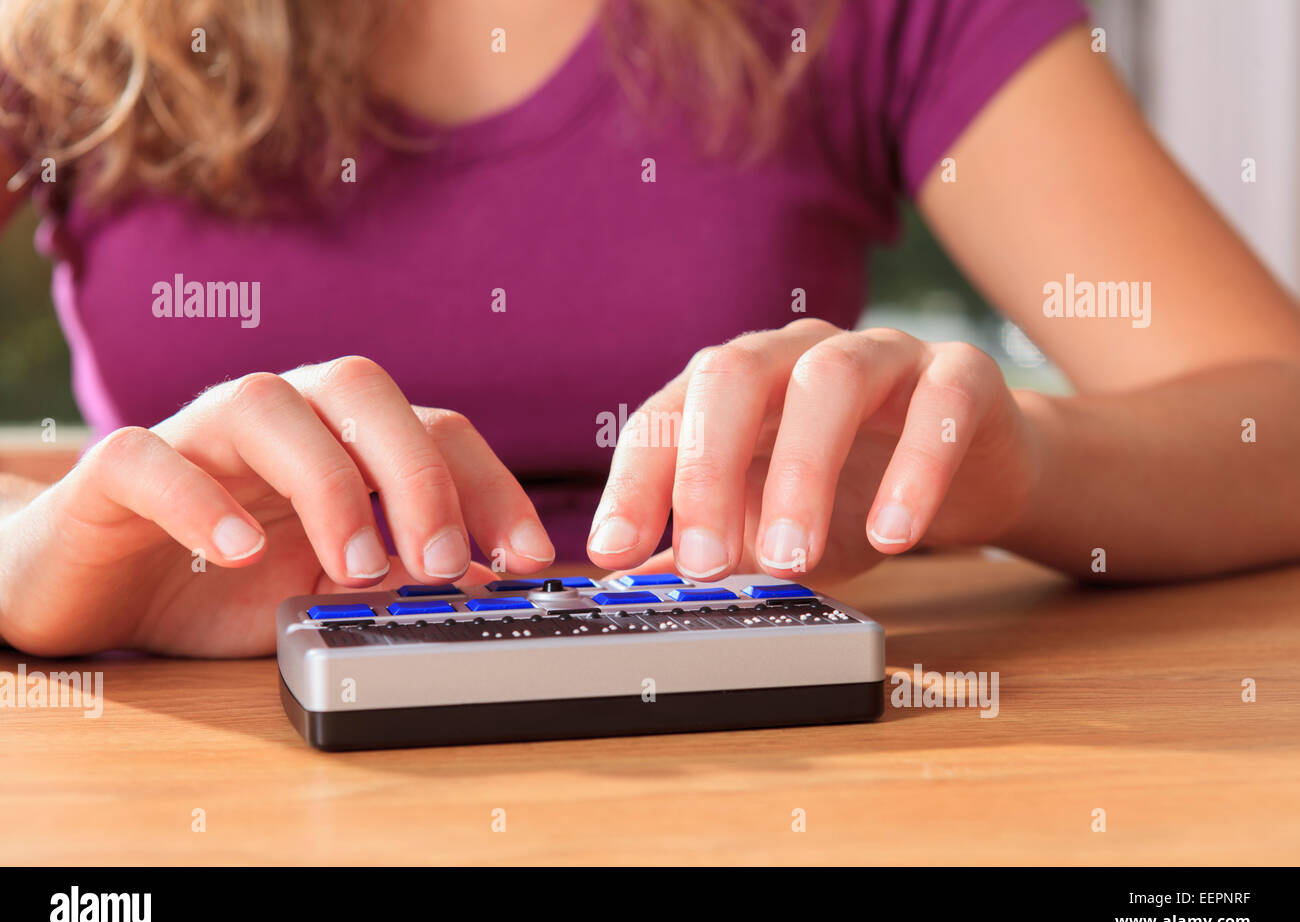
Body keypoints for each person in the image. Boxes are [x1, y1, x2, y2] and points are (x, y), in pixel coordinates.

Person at [2, 0, 1298, 657]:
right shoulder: (58, 29)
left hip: (762, 777)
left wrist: (1017, 468)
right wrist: (27, 555)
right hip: (197, 793)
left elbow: (1271, 408)